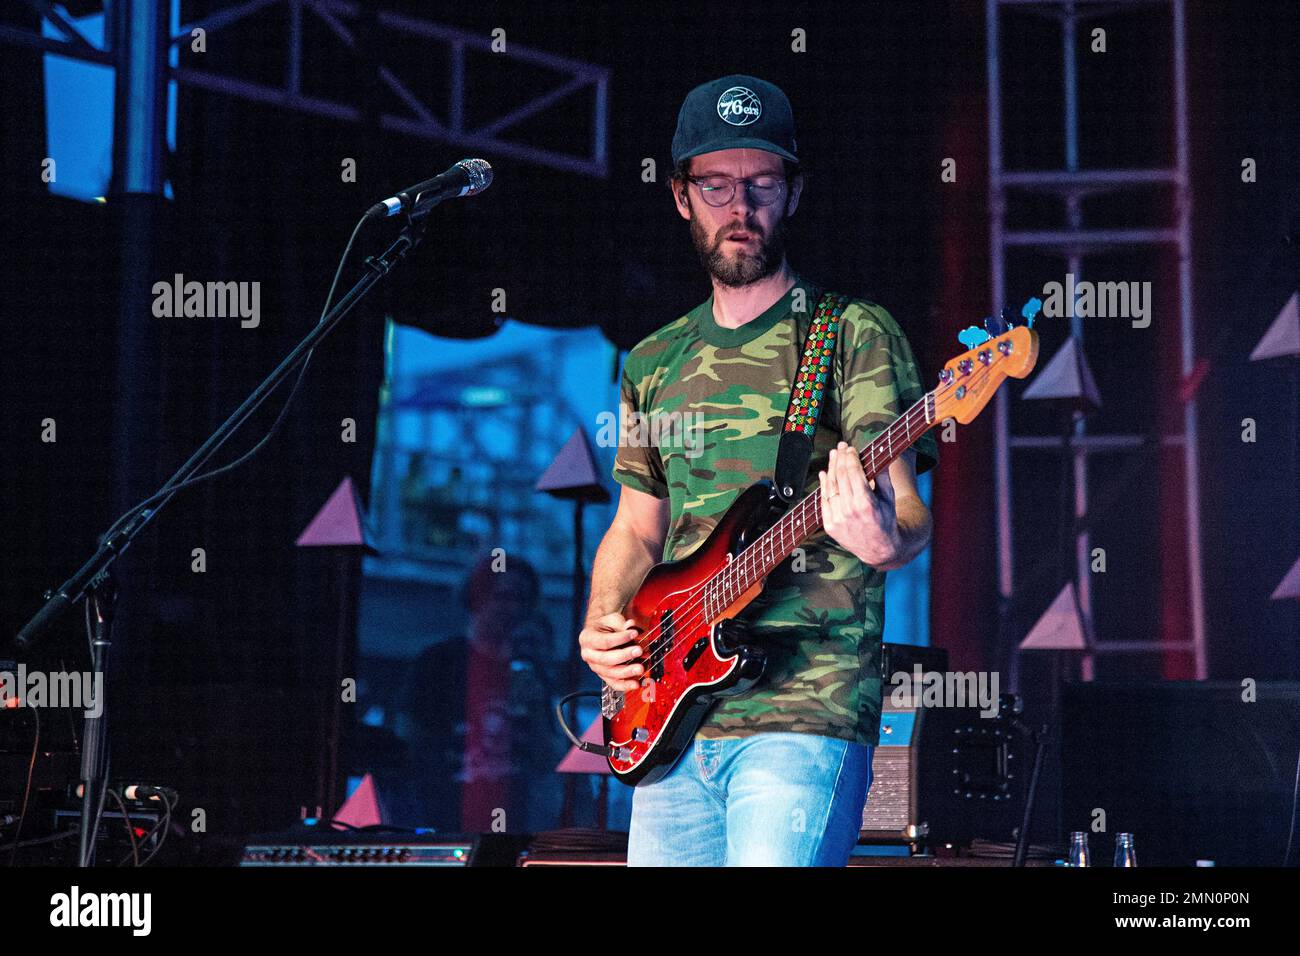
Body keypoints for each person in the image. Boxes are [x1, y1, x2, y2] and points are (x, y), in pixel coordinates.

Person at [578, 75, 939, 866]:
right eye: (715, 184)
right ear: (681, 196)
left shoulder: (852, 333)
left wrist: (881, 539)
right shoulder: (652, 359)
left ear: (793, 194)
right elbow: (637, 529)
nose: (739, 206)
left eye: (762, 184)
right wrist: (604, 623)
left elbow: (909, 514)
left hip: (805, 712)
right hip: (671, 719)